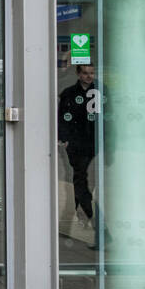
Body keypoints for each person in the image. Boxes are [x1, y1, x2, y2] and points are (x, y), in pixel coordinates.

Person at [58, 63, 100, 224]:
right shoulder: (69, 93)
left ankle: (78, 211)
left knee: (86, 178)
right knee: (80, 176)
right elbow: (62, 119)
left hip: (93, 141)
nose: (89, 76)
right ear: (78, 74)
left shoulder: (99, 91)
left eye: (91, 72)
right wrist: (65, 139)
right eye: (85, 73)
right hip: (76, 143)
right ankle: (87, 213)